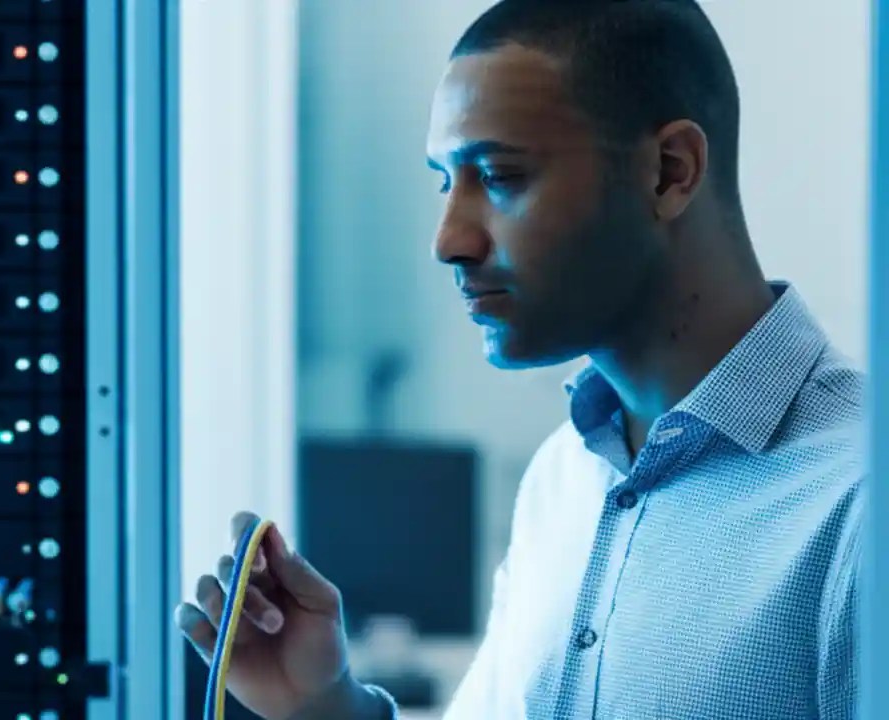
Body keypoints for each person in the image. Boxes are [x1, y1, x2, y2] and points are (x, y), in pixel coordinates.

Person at [174, 0, 865, 717]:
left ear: (669, 171)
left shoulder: (856, 503)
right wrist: (326, 704)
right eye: (447, 181)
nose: (449, 240)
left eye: (500, 178)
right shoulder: (564, 480)